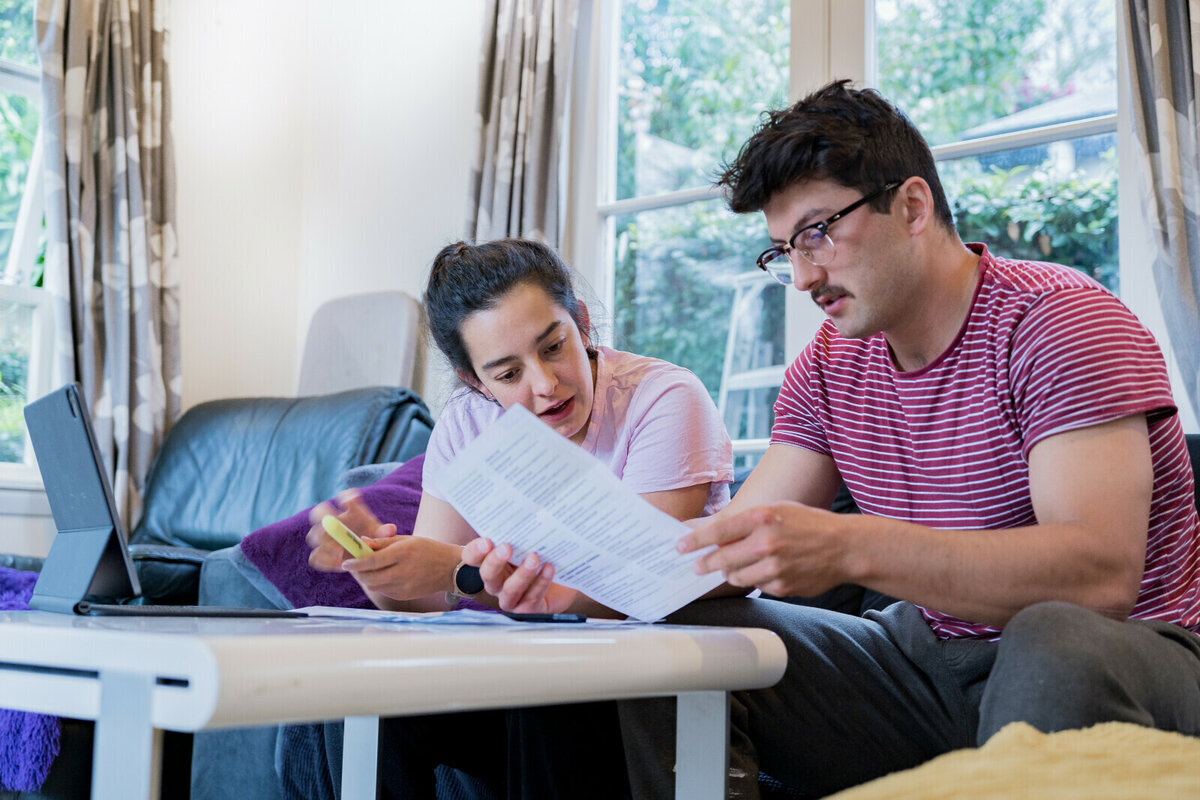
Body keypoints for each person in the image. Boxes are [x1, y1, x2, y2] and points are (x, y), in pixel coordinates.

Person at [465, 80, 1200, 798]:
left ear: (912, 205)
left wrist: (850, 545)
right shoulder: (829, 365)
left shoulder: (1058, 323)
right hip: (930, 664)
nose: (804, 274)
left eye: (819, 232)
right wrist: (574, 588)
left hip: (1133, 658)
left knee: (1052, 640)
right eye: (784, 249)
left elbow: (1099, 578)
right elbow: (726, 551)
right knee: (680, 625)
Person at [301, 237, 734, 798]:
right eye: (507, 375)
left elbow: (639, 586)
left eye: (554, 346)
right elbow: (431, 599)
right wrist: (376, 567)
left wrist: (461, 571)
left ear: (580, 322)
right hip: (530, 668)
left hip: (645, 665)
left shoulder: (663, 398)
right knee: (355, 690)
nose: (545, 384)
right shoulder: (466, 421)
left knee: (549, 687)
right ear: (473, 380)